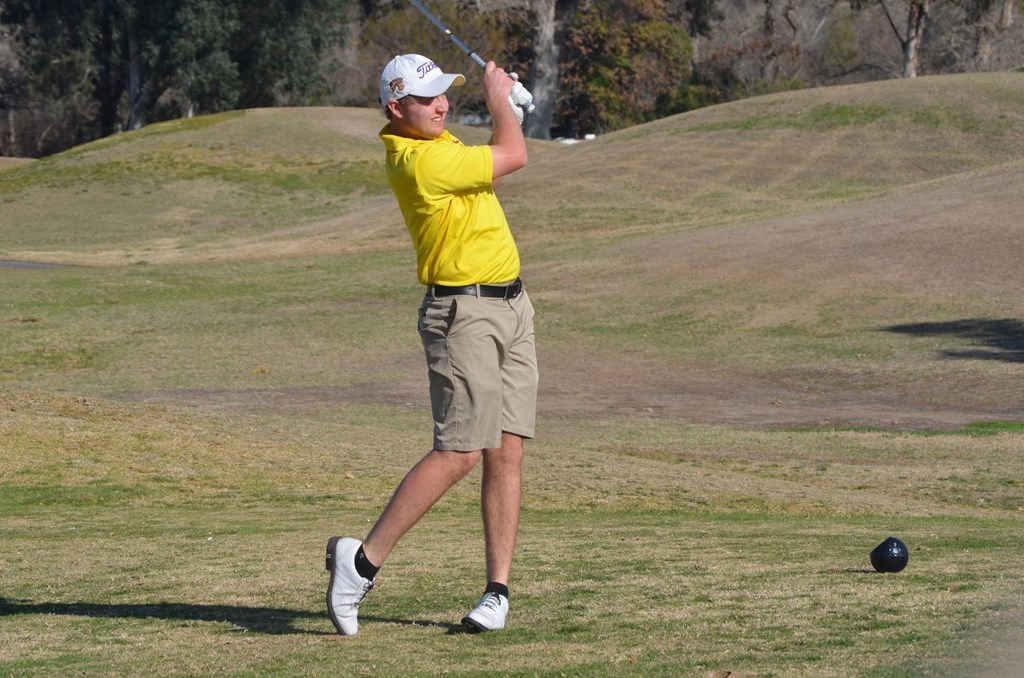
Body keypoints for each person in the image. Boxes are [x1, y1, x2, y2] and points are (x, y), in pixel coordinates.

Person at [325, 53, 537, 636]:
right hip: (462, 313)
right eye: (427, 99)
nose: (442, 105)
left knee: (507, 449)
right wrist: (501, 100)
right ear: (397, 108)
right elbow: (515, 155)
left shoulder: (440, 151)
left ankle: (496, 592)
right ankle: (361, 563)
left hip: (512, 305)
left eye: (444, 93)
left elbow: (493, 168)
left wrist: (507, 110)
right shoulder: (418, 162)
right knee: (461, 451)